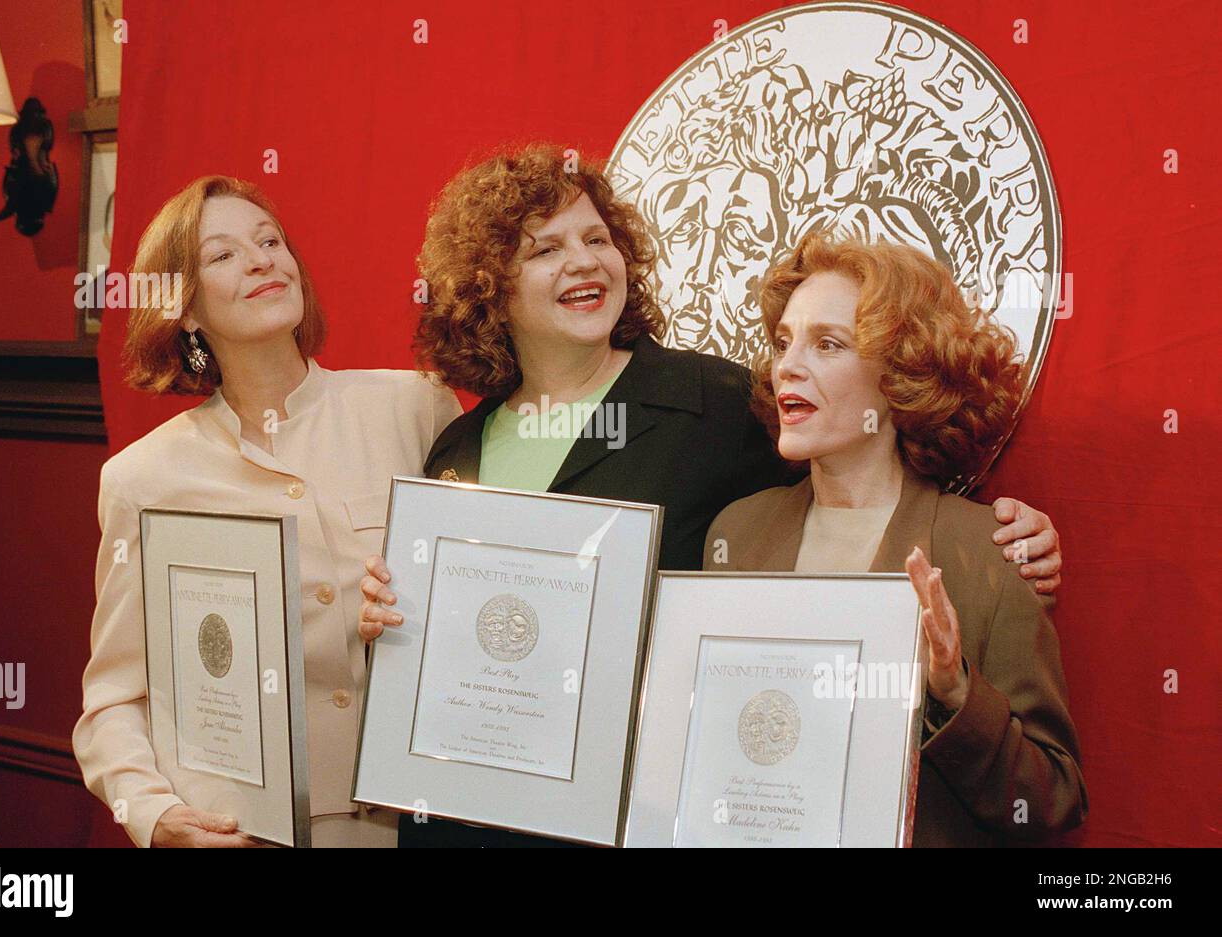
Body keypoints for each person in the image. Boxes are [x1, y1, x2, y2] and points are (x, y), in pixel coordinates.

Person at [359, 144, 1065, 846]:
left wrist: (1007, 539)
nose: (583, 260)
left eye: (598, 238)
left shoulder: (720, 409)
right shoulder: (458, 450)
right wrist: (396, 622)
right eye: (545, 248)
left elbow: (870, 482)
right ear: (490, 287)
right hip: (472, 815)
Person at [72, 176, 461, 847]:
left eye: (270, 241)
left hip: (420, 823)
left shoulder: (416, 409)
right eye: (221, 255)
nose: (260, 260)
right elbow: (114, 697)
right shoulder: (143, 478)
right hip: (251, 835)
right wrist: (154, 812)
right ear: (184, 309)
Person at [704, 231, 1087, 846]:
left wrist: (957, 693)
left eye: (826, 344)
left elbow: (1050, 801)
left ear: (900, 377)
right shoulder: (736, 532)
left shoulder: (993, 552)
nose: (787, 365)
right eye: (783, 341)